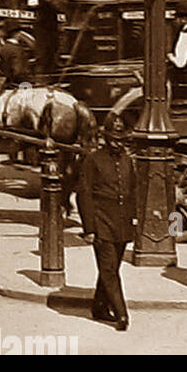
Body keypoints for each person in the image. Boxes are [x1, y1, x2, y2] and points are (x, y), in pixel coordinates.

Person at [78, 114, 136, 330]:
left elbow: (133, 190)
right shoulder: (93, 160)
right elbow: (83, 194)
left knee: (110, 268)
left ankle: (98, 306)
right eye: (114, 139)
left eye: (120, 139)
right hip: (101, 222)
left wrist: (135, 220)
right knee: (110, 270)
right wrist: (89, 229)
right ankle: (122, 314)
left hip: (121, 223)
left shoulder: (127, 160)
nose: (117, 143)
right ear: (106, 138)